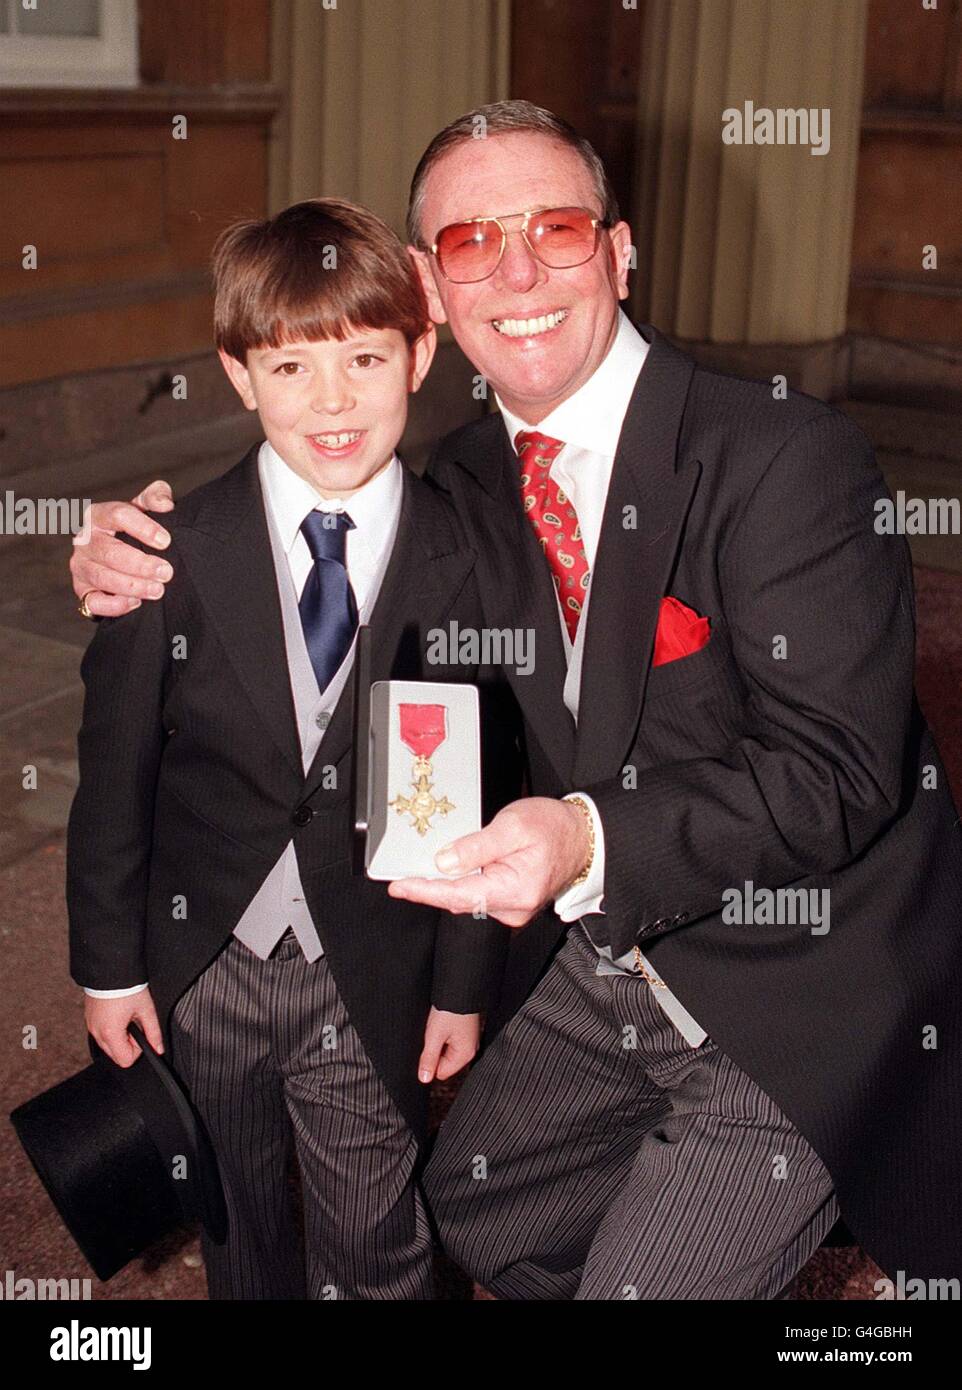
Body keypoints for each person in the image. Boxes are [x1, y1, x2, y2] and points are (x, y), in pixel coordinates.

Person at [70, 102, 962, 1300]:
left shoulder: (781, 456)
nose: (520, 269)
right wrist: (129, 555)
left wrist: (583, 836)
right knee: (462, 1208)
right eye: (472, 241)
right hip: (604, 965)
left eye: (556, 227)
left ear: (620, 252)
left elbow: (839, 773)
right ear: (429, 291)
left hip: (799, 980)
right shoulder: (461, 485)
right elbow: (320, 614)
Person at [66, 197, 518, 1300]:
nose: (330, 402)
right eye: (290, 367)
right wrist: (108, 966)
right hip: (202, 961)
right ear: (236, 372)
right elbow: (113, 778)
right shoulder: (163, 554)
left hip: (367, 964)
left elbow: (480, 788)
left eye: (364, 358)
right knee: (237, 1219)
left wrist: (459, 985)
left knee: (378, 1233)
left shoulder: (465, 554)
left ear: (420, 354)